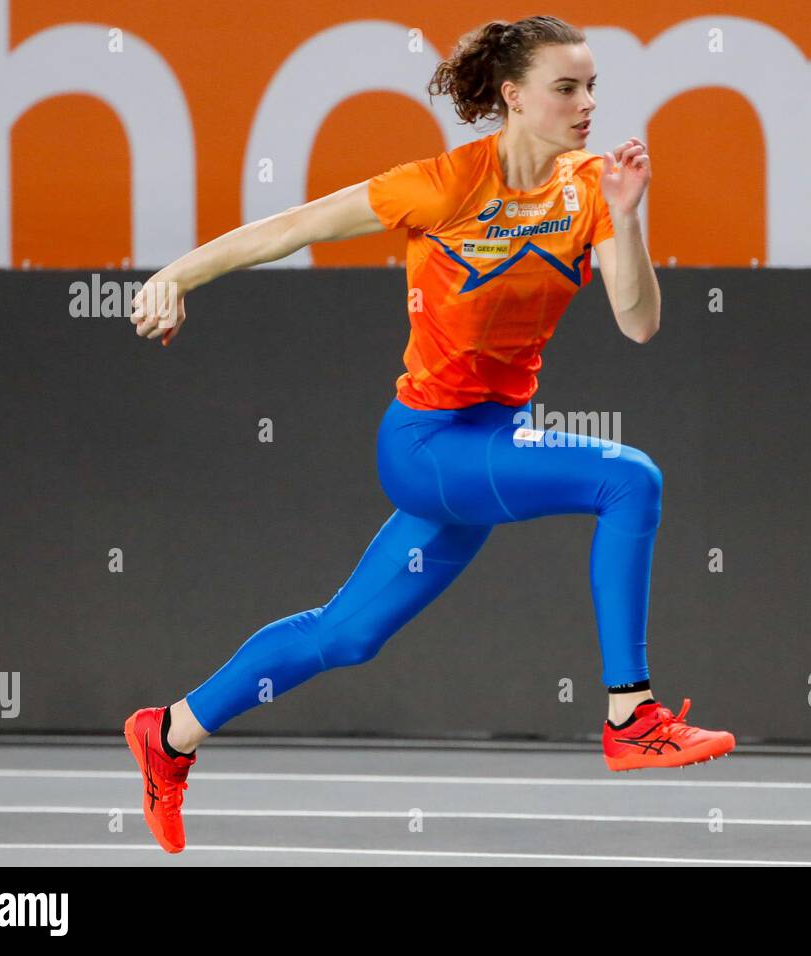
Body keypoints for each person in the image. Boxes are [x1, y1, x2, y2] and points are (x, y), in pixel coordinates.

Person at [122, 14, 735, 855]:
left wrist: (629, 219)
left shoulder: (594, 185)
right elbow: (292, 227)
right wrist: (177, 274)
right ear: (513, 97)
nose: (587, 102)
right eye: (567, 88)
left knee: (348, 634)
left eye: (592, 85)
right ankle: (631, 715)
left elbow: (637, 323)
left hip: (487, 448)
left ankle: (171, 731)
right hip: (425, 447)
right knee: (631, 479)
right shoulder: (442, 184)